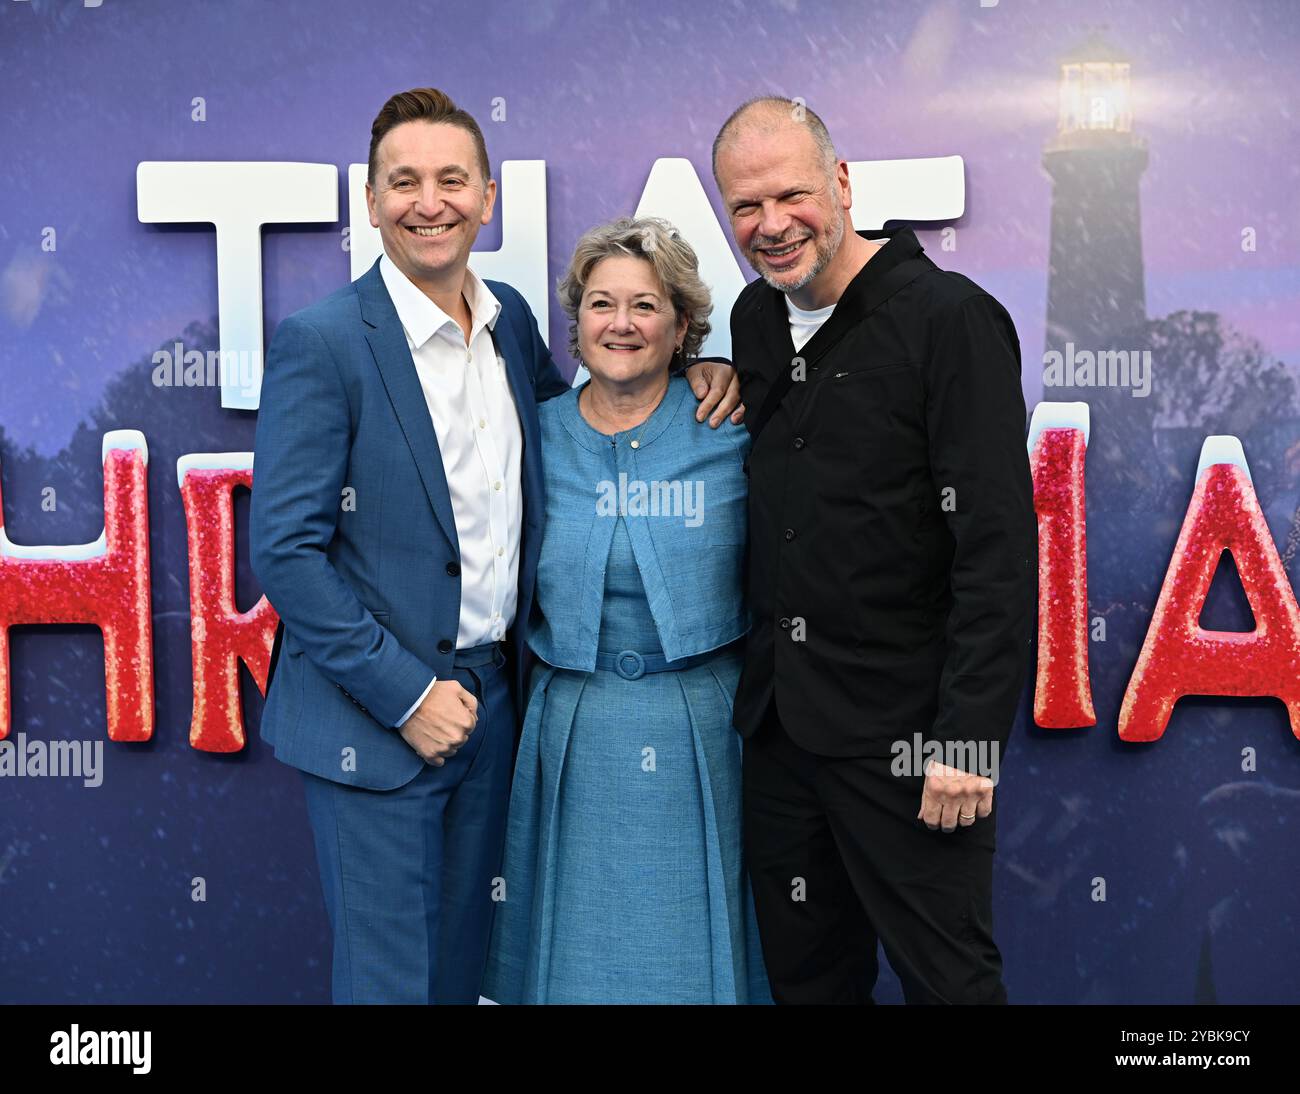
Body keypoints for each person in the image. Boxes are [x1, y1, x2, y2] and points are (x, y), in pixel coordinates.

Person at [249, 88, 740, 1005]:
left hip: (496, 712)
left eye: (450, 179)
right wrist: (407, 697)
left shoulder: (511, 321)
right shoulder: (322, 344)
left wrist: (699, 365)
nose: (427, 201)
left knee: (470, 977)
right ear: (371, 200)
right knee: (391, 986)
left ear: (488, 197)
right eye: (404, 182)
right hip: (376, 719)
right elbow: (285, 553)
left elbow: (596, 412)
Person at [711, 96, 1037, 1004]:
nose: (771, 226)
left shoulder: (951, 321)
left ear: (844, 185)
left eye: (791, 195)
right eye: (745, 206)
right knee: (808, 985)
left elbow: (998, 546)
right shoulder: (753, 320)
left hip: (913, 743)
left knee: (949, 984)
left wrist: (969, 737)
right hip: (780, 736)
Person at [483, 217, 770, 1004]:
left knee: (701, 951)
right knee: (574, 957)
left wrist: (727, 374)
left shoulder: (735, 427)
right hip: (572, 735)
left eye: (645, 306)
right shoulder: (529, 436)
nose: (621, 323)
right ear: (576, 324)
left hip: (704, 736)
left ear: (682, 326)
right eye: (601, 304)